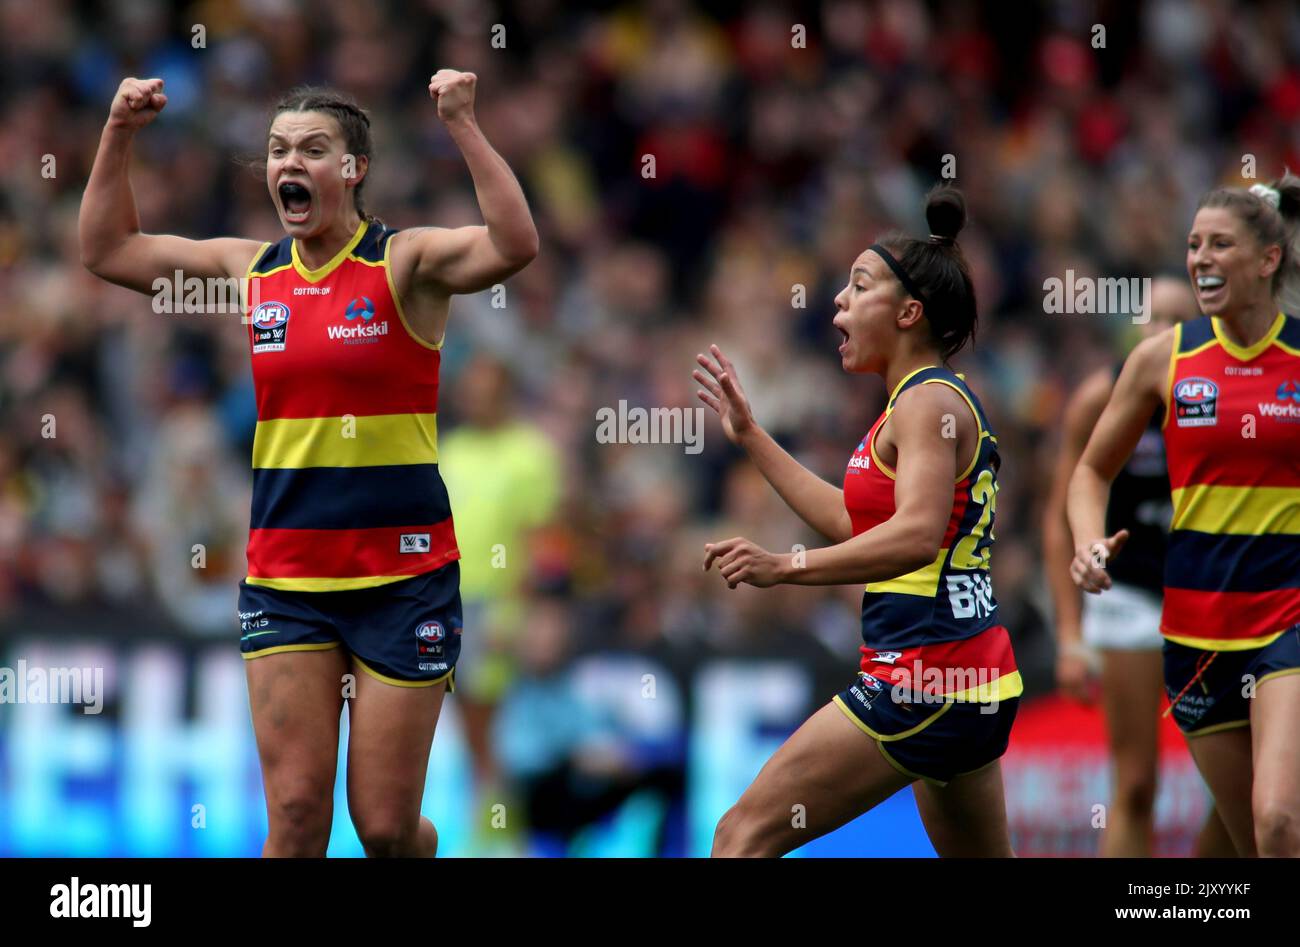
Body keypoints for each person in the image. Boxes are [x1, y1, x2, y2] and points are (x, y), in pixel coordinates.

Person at [79, 74, 538, 856]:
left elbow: (514, 243)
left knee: (386, 827)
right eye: (278, 149)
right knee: (295, 819)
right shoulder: (251, 271)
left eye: (314, 149)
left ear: (353, 169)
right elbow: (109, 249)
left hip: (404, 581)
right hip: (288, 582)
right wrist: (118, 129)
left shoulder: (405, 262)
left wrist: (463, 122)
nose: (290, 161)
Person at [695, 185, 1022, 857]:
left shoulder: (925, 401)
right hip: (968, 680)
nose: (838, 301)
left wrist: (784, 566)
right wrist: (752, 435)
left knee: (739, 836)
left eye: (859, 285)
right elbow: (854, 521)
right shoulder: (923, 401)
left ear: (909, 312)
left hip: (923, 677)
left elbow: (915, 535)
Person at [1068, 175, 1300, 857]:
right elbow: (1089, 470)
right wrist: (1088, 544)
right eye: (1194, 243)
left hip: (1286, 618)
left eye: (1220, 244)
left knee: (1279, 821)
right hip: (1195, 631)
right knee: (1243, 843)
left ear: (1268, 260)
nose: (1200, 257)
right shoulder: (1161, 359)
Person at [1044, 276, 1233, 856]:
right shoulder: (1101, 398)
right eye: (1152, 320)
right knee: (1135, 783)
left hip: (1213, 595)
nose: (1163, 333)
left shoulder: (1227, 397)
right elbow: (1058, 519)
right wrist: (1072, 639)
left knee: (1237, 791)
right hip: (1125, 594)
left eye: (1179, 321)